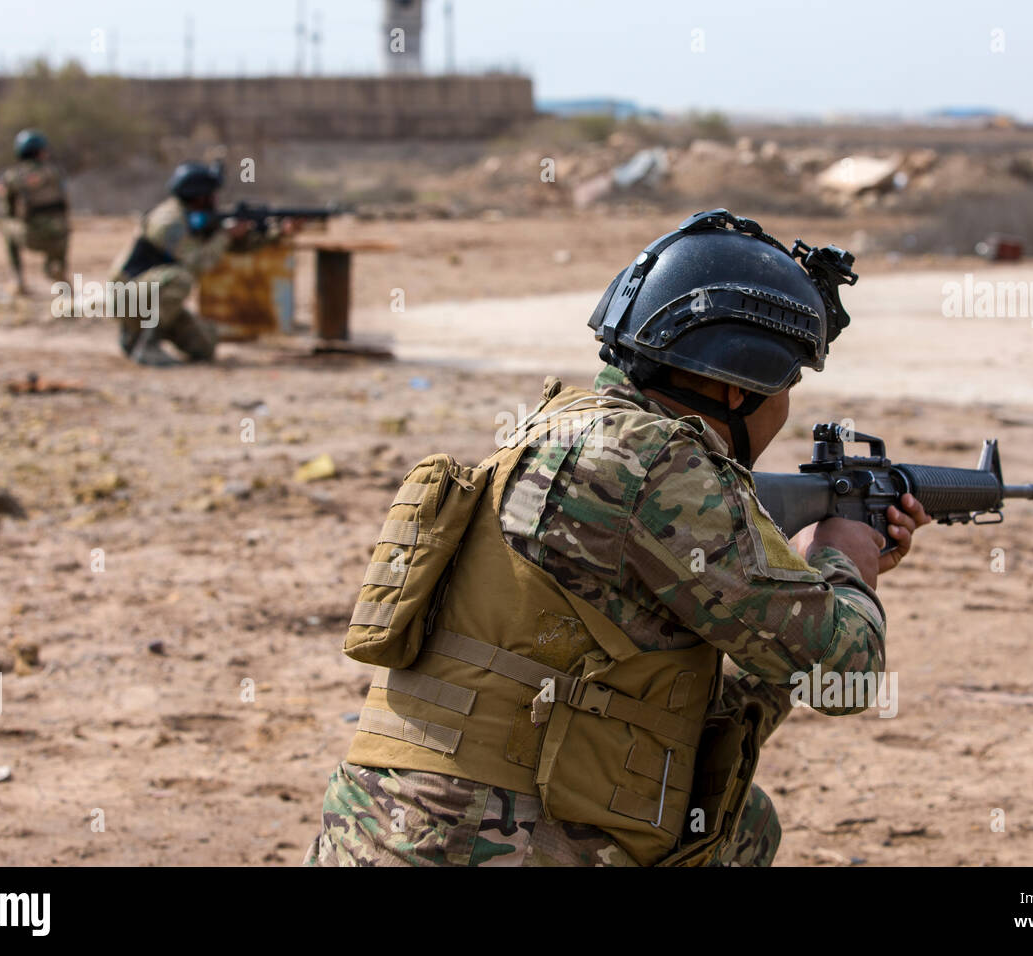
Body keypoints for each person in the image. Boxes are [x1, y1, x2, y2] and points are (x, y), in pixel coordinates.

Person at [305, 209, 932, 867]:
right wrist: (846, 560)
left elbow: (674, 711)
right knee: (727, 833)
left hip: (372, 836)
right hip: (481, 844)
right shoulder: (663, 469)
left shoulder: (553, 432)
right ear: (731, 385)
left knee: (739, 820)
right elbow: (847, 678)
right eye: (786, 386)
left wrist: (797, 576)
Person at [108, 161, 278, 367]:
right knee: (180, 278)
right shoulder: (168, 221)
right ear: (199, 195)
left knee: (205, 345)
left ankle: (134, 337)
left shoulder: (194, 218)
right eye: (212, 194)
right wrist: (225, 236)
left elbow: (234, 248)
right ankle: (146, 345)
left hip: (151, 298)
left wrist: (277, 233)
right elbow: (198, 263)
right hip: (127, 297)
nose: (216, 199)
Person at [0, 129, 69, 296]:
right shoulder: (55, 173)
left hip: (33, 235)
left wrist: (2, 193)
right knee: (60, 228)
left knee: (6, 227)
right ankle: (57, 268)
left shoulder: (13, 176)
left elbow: (8, 211)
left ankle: (18, 279)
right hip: (60, 236)